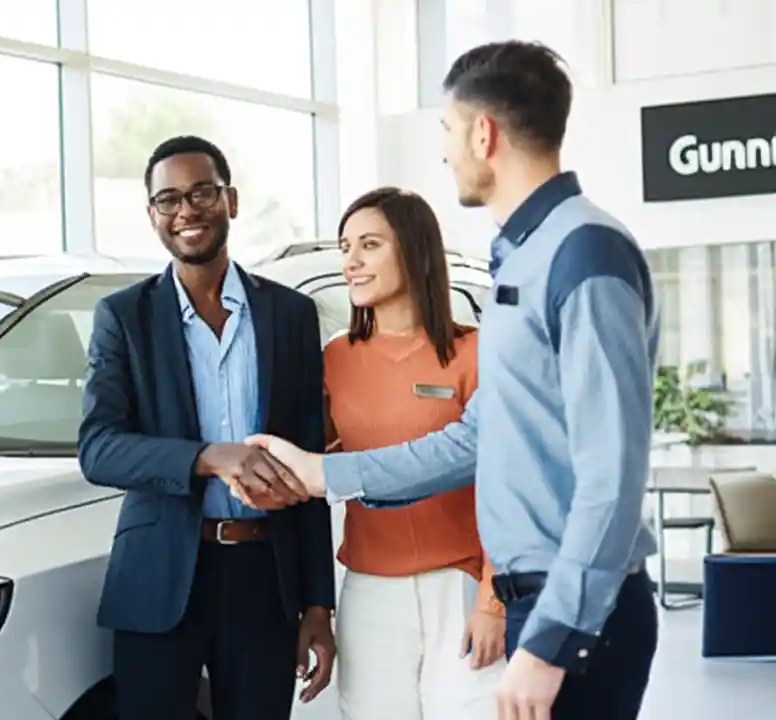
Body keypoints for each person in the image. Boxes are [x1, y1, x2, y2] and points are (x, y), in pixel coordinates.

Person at [242, 41, 660, 720]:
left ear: (482, 132)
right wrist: (321, 474)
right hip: (542, 603)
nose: (444, 152)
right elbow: (476, 443)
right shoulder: (523, 259)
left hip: (573, 615)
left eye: (445, 130)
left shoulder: (582, 254)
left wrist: (549, 640)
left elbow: (610, 472)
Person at [77, 135, 336, 720]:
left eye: (201, 193)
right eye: (168, 199)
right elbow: (98, 448)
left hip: (264, 580)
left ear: (231, 200)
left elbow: (309, 457)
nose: (186, 210)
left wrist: (318, 603)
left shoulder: (289, 315)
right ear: (152, 216)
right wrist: (210, 457)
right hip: (160, 575)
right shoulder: (123, 317)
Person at [324, 187, 504, 719]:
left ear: (415, 250)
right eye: (345, 246)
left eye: (369, 244)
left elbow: (507, 483)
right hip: (369, 592)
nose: (351, 261)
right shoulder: (334, 359)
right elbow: (318, 467)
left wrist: (493, 601)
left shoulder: (477, 351)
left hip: (461, 588)